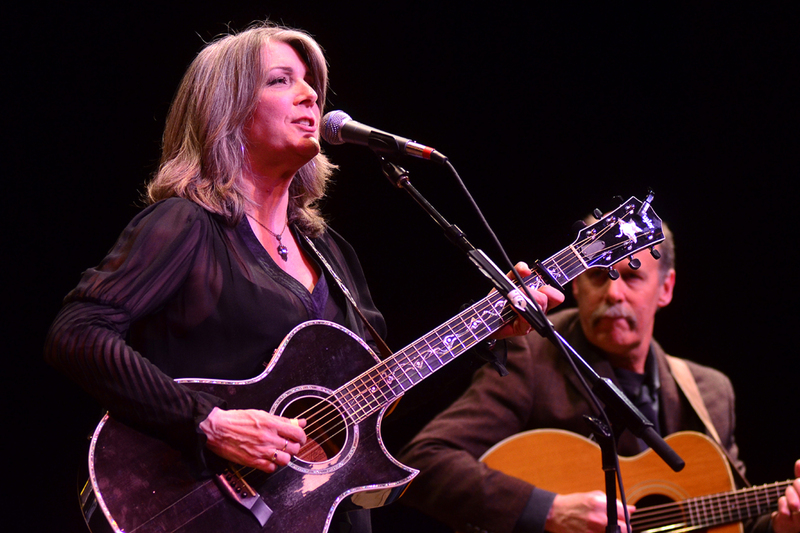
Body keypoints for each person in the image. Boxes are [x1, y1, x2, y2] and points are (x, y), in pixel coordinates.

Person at [43, 21, 561, 533]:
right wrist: (208, 422)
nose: (310, 94)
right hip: (194, 504)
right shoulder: (187, 225)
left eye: (311, 82)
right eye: (280, 80)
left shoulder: (332, 253)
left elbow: (378, 398)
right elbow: (77, 333)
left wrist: (487, 332)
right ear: (226, 109)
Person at [398, 223, 800, 533]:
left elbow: (731, 517)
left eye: (633, 276)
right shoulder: (533, 356)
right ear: (575, 284)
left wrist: (783, 523)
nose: (613, 294)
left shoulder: (710, 391)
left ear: (666, 288)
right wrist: (550, 511)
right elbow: (424, 462)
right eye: (598, 276)